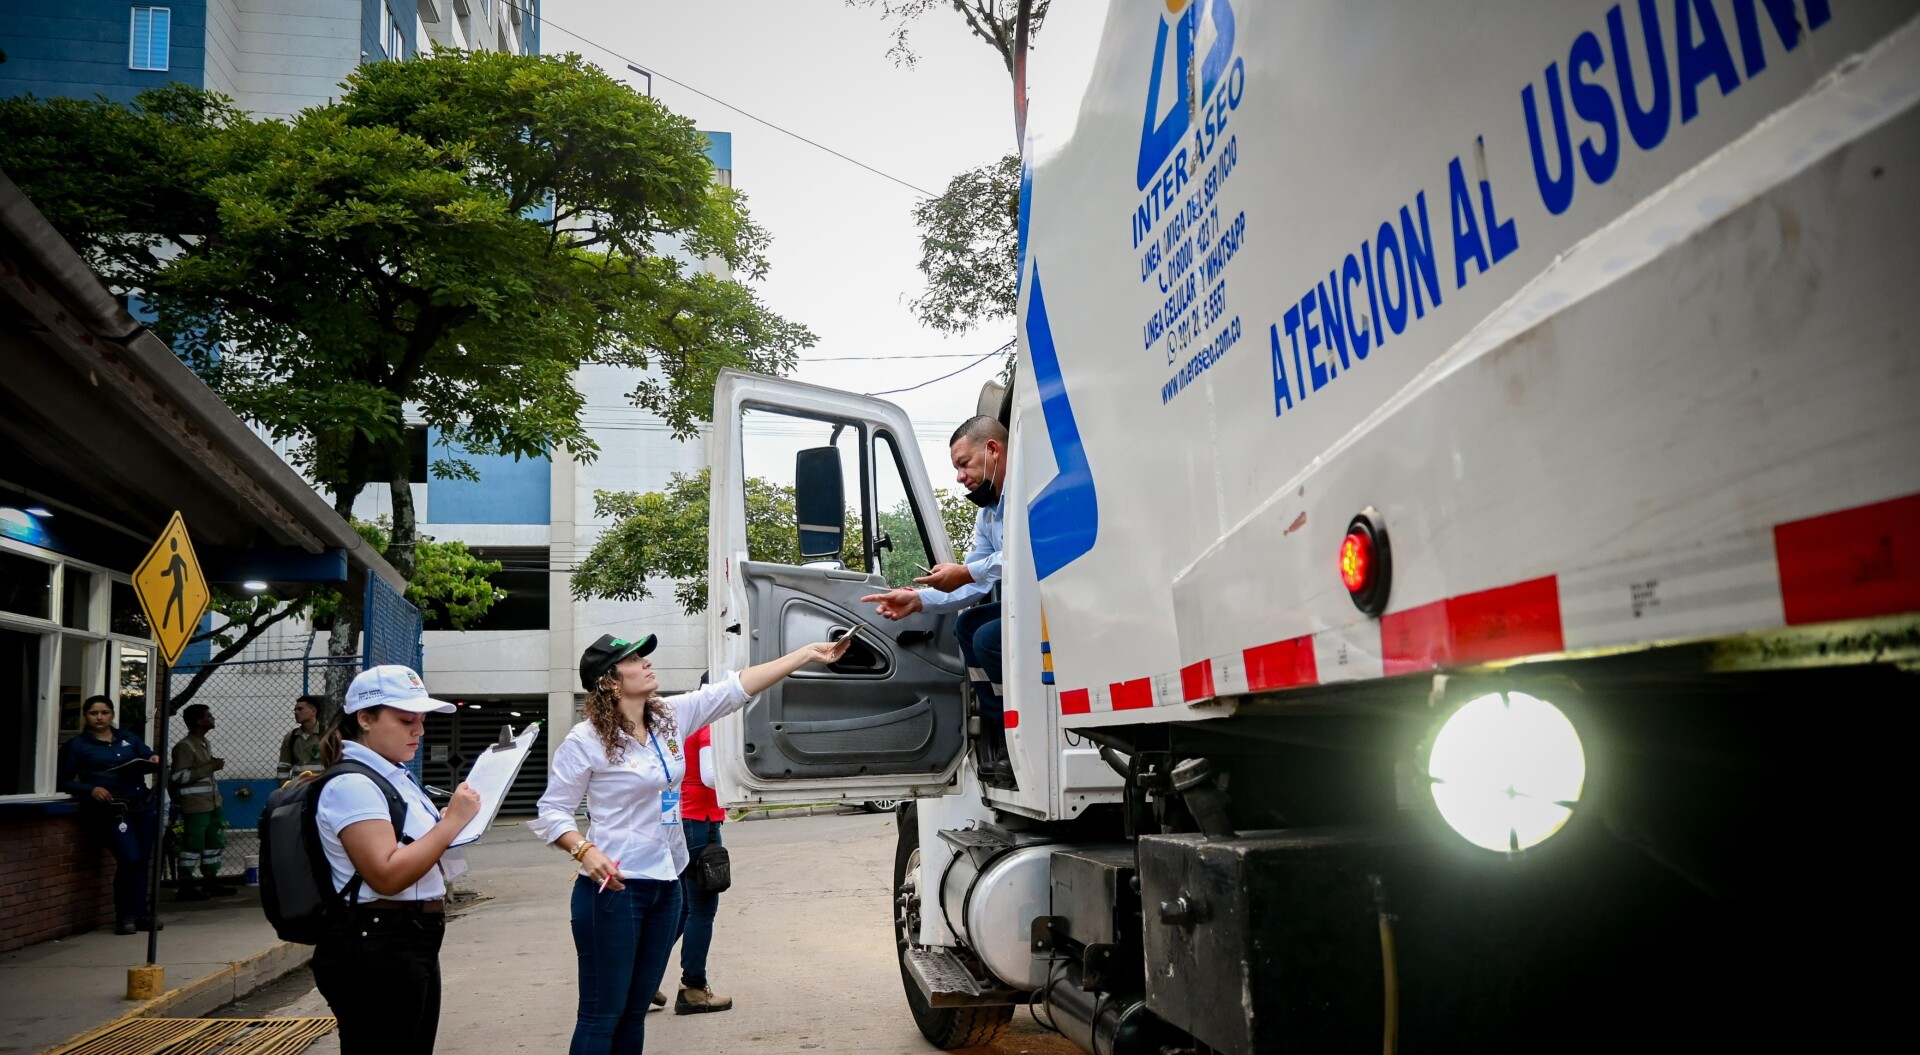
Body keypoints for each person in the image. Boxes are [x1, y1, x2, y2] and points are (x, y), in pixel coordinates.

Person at [534, 631, 851, 1054]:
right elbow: (552, 810)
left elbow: (735, 688)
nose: (648, 662)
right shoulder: (584, 740)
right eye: (634, 659)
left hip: (667, 886)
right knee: (601, 1015)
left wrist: (807, 654)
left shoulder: (668, 716)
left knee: (633, 1014)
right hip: (613, 891)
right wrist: (583, 849)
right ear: (610, 681)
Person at [310, 664, 481, 1055]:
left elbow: (417, 849)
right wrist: (452, 822)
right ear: (365, 719)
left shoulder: (393, 776)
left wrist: (446, 830)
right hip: (379, 942)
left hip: (408, 937)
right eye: (406, 720)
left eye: (421, 720)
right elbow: (386, 875)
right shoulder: (353, 784)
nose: (418, 730)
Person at [862, 414, 1013, 783]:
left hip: (1056, 603)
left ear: (992, 449)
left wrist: (965, 572)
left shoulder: (1031, 491)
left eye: (964, 464)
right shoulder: (989, 513)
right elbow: (976, 580)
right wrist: (919, 601)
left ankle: (1022, 720)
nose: (960, 477)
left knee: (988, 637)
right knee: (969, 624)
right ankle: (1005, 731)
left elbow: (1026, 556)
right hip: (1025, 607)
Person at [58, 696, 162, 935]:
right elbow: (64, 781)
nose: (100, 717)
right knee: (130, 858)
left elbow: (148, 754)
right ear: (85, 716)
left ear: (112, 714)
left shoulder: (127, 738)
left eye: (105, 712)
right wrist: (90, 789)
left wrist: (153, 758)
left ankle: (142, 914)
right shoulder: (78, 745)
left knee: (143, 859)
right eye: (94, 713)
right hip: (112, 809)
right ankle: (124, 916)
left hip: (141, 806)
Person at [671, 677, 729, 1015]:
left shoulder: (685, 724)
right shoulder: (708, 726)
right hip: (701, 823)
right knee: (702, 910)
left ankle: (642, 983)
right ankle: (693, 987)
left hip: (683, 819)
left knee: (681, 909)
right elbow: (709, 775)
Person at [170, 703, 234, 899]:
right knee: (193, 843)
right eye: (208, 716)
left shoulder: (203, 742)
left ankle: (210, 880)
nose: (212, 718)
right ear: (198, 721)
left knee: (214, 842)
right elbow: (178, 777)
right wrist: (210, 767)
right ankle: (186, 884)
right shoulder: (185, 746)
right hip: (196, 805)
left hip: (212, 803)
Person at [277, 694, 325, 781]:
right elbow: (284, 766)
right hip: (298, 788)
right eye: (295, 710)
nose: (296, 712)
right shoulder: (291, 737)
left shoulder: (327, 734)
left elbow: (337, 764)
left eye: (300, 709)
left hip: (321, 787)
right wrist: (285, 787)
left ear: (313, 711)